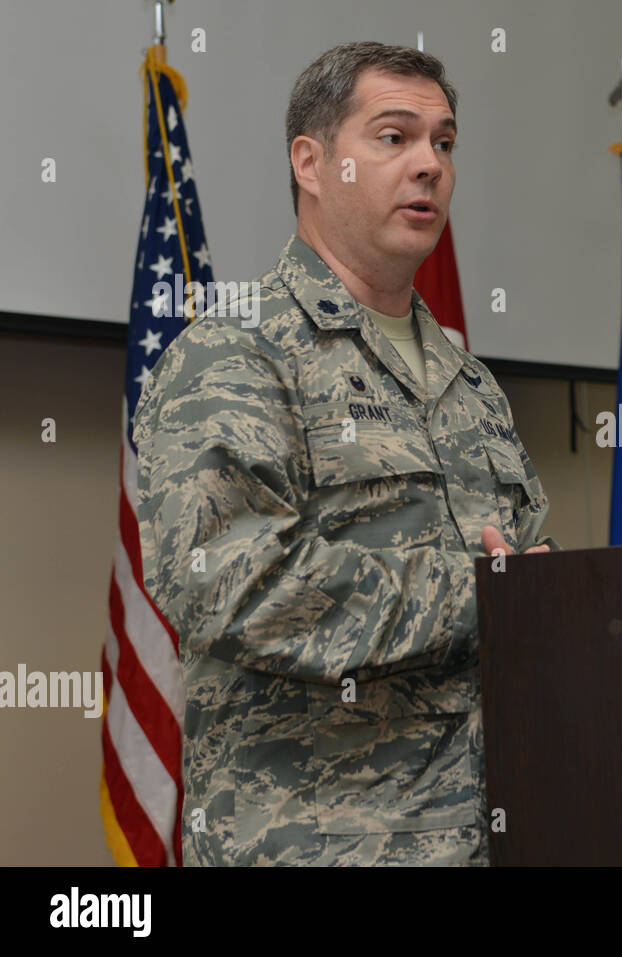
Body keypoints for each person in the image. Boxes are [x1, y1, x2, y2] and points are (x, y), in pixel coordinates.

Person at [133, 41, 559, 866]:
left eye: (444, 142)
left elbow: (532, 574)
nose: (429, 165)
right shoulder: (235, 352)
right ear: (312, 163)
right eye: (394, 138)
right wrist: (483, 597)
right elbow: (234, 586)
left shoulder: (470, 382)